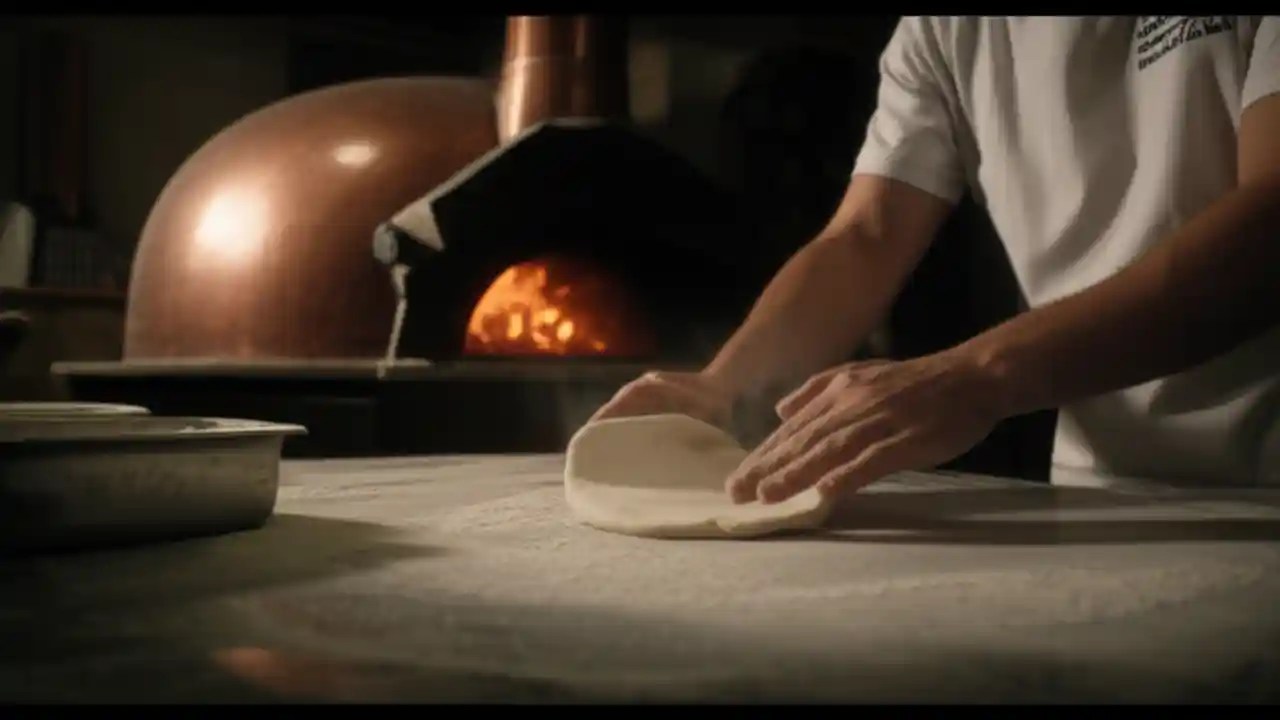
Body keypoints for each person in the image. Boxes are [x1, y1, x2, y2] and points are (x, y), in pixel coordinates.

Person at [591, 16, 1280, 502]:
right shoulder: (943, 28)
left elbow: (1268, 227)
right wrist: (724, 387)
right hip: (1103, 495)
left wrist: (974, 375)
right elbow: (866, 233)